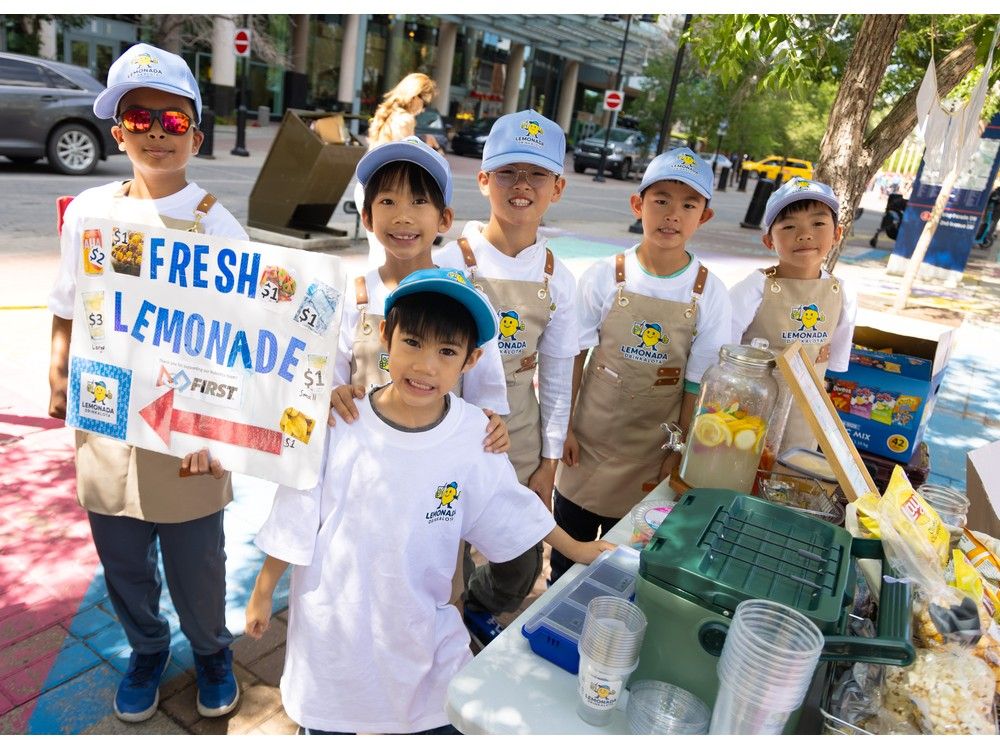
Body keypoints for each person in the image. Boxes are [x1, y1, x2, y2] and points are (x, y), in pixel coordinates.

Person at [243, 268, 614, 734]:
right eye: (413, 343)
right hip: (334, 632)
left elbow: (511, 508)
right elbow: (295, 510)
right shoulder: (343, 421)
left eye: (446, 351)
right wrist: (263, 590)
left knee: (437, 713)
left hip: (420, 630)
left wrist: (577, 549)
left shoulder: (471, 435)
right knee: (331, 719)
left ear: (471, 359)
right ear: (385, 336)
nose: (425, 366)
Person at [46, 43, 243, 723]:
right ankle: (148, 649)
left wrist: (213, 427)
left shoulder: (217, 222)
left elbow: (245, 337)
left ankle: (212, 650)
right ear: (117, 129)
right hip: (105, 419)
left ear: (196, 129)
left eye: (173, 118)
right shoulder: (89, 213)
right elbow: (68, 301)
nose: (158, 131)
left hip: (185, 428)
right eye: (140, 117)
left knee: (198, 566)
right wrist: (57, 365)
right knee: (123, 560)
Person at [551, 148, 733, 584]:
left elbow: (698, 384)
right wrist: (566, 428)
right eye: (662, 200)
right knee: (567, 562)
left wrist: (682, 454)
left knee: (626, 565)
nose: (673, 215)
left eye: (689, 204)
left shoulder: (710, 292)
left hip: (653, 455)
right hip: (587, 445)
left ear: (703, 217)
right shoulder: (605, 275)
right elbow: (574, 353)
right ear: (638, 205)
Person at [434, 109, 580, 646]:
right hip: (442, 434)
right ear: (483, 179)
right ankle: (443, 628)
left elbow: (558, 378)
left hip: (517, 439)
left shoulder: (557, 278)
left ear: (557, 187)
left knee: (519, 563)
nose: (522, 185)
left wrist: (548, 464)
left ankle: (480, 605)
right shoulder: (449, 261)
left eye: (537, 174)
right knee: (438, 548)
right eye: (508, 172)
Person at [329, 136, 509, 452]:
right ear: (367, 217)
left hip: (435, 465)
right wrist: (333, 393)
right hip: (362, 460)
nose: (403, 216)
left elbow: (486, 400)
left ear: (445, 219)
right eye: (387, 201)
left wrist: (492, 425)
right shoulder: (350, 298)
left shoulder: (466, 302)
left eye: (419, 201)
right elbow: (330, 382)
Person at [729, 178, 857, 452]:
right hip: (749, 408)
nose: (804, 234)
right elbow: (722, 349)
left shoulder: (842, 293)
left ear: (837, 234)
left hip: (805, 414)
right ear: (768, 240)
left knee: (792, 473)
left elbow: (833, 365)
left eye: (818, 223)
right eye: (788, 226)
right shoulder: (755, 287)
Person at [359, 73, 444, 267]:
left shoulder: (387, 114)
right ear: (414, 97)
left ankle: (378, 290)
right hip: (391, 190)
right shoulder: (405, 119)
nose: (422, 108)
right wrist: (430, 146)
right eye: (423, 101)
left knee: (378, 247)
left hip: (371, 188)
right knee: (392, 251)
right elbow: (406, 159)